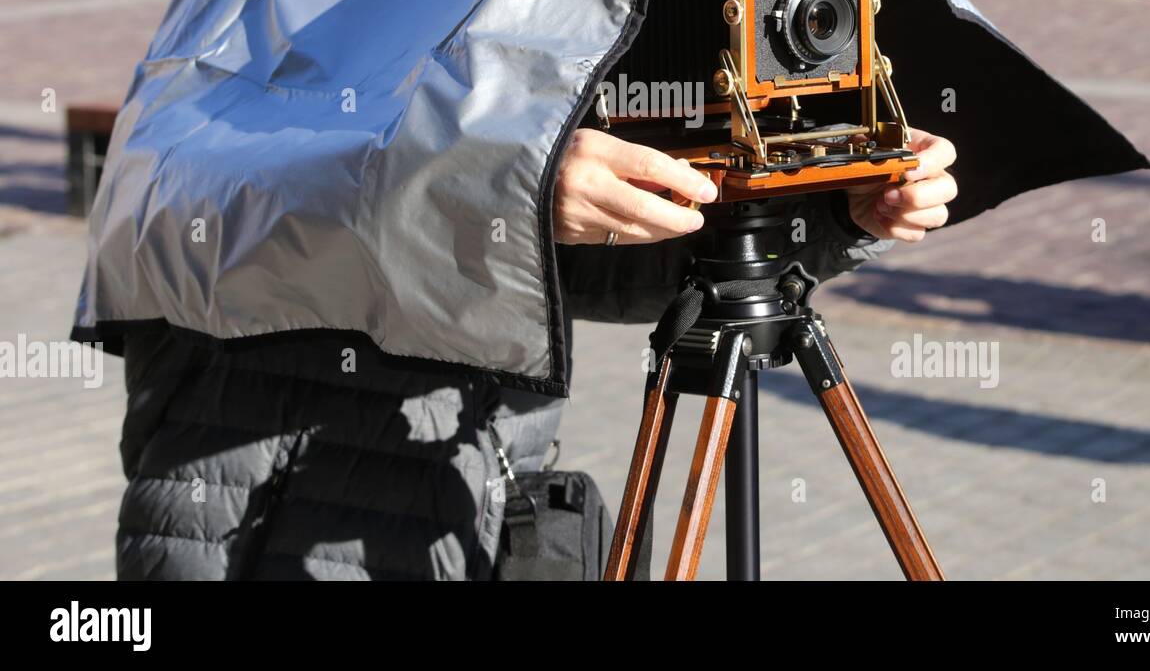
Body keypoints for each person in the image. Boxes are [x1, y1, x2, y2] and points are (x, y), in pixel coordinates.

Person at [115, 126, 957, 580]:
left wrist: (836, 216)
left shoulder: (507, 55)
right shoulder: (218, 86)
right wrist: (500, 185)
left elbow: (603, 273)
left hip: (466, 518)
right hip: (237, 520)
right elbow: (190, 225)